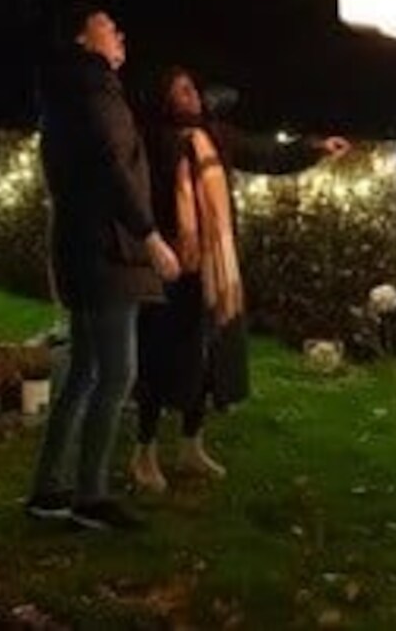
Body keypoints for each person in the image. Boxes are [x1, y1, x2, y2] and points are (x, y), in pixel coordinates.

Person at [128, 66, 349, 492]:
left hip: (214, 267)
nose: (192, 95)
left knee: (207, 357)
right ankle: (145, 451)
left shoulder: (216, 135)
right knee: (160, 359)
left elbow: (265, 154)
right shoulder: (153, 142)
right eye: (181, 90)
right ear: (165, 101)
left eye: (192, 87)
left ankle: (191, 446)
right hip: (172, 267)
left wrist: (314, 148)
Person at [26, 4, 181, 531]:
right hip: (106, 250)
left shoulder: (65, 94)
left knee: (87, 371)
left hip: (81, 246)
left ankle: (49, 491)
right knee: (116, 372)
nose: (119, 33)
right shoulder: (94, 91)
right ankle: (90, 497)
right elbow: (112, 166)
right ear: (81, 36)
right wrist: (151, 236)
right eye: (107, 25)